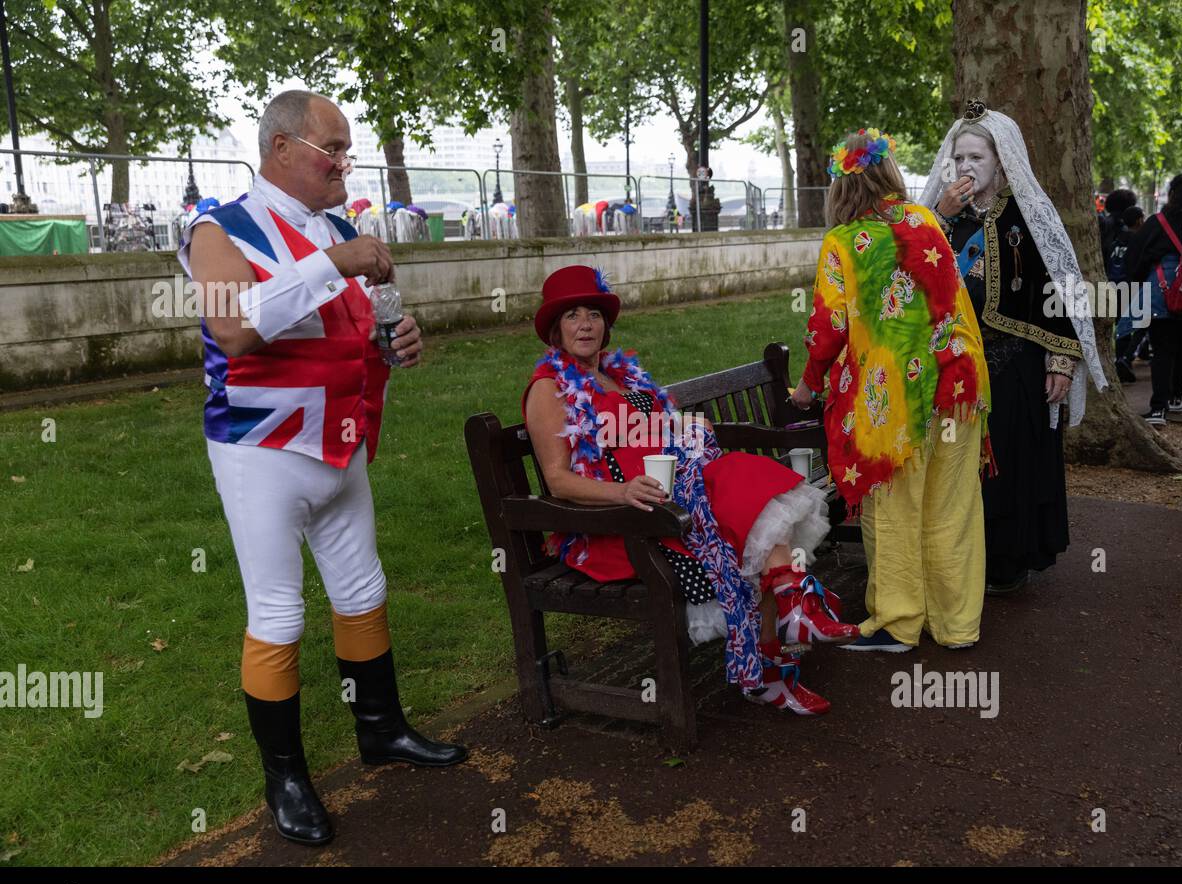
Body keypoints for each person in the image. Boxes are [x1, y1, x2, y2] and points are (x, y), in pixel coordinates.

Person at [179, 90, 467, 846]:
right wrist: (330, 262)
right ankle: (287, 779)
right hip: (262, 448)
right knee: (277, 612)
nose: (344, 162)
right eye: (330, 148)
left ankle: (382, 729)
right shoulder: (218, 227)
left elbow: (351, 335)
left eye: (346, 149)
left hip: (338, 442)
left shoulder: (340, 226)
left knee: (364, 586)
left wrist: (394, 342)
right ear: (280, 149)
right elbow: (235, 326)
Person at [522, 265, 859, 715]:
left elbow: (648, 433)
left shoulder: (618, 376)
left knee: (744, 500)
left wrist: (683, 428)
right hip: (620, 526)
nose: (585, 324)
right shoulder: (549, 389)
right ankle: (784, 629)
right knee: (741, 497)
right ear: (554, 329)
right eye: (572, 316)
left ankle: (778, 639)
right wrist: (623, 496)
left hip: (672, 499)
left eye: (594, 315)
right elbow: (558, 479)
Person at [790, 127, 992, 652]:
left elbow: (827, 328)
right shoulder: (927, 222)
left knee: (895, 509)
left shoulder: (843, 243)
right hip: (957, 386)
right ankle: (957, 626)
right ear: (890, 174)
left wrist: (808, 387)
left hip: (893, 400)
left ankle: (899, 624)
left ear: (841, 184)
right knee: (953, 507)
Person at [920, 101, 1108, 594]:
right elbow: (909, 278)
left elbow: (1057, 291)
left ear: (1001, 162)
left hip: (1015, 366)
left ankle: (1005, 561)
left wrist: (1061, 359)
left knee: (1008, 465)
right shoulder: (938, 218)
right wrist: (941, 217)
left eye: (976, 158)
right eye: (958, 158)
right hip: (951, 366)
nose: (964, 167)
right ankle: (952, 561)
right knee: (954, 468)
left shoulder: (1029, 215)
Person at [1125, 173, 1182, 426]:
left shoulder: (1158, 222)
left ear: (1172, 194)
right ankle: (1177, 395)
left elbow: (1135, 258)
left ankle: (1158, 408)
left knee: (1162, 349)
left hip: (1160, 292)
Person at [1111, 204, 1145, 383]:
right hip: (1133, 286)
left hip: (1115, 284)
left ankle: (1120, 359)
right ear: (1140, 220)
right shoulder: (1138, 239)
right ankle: (1126, 359)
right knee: (1140, 324)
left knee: (1120, 324)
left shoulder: (1117, 238)